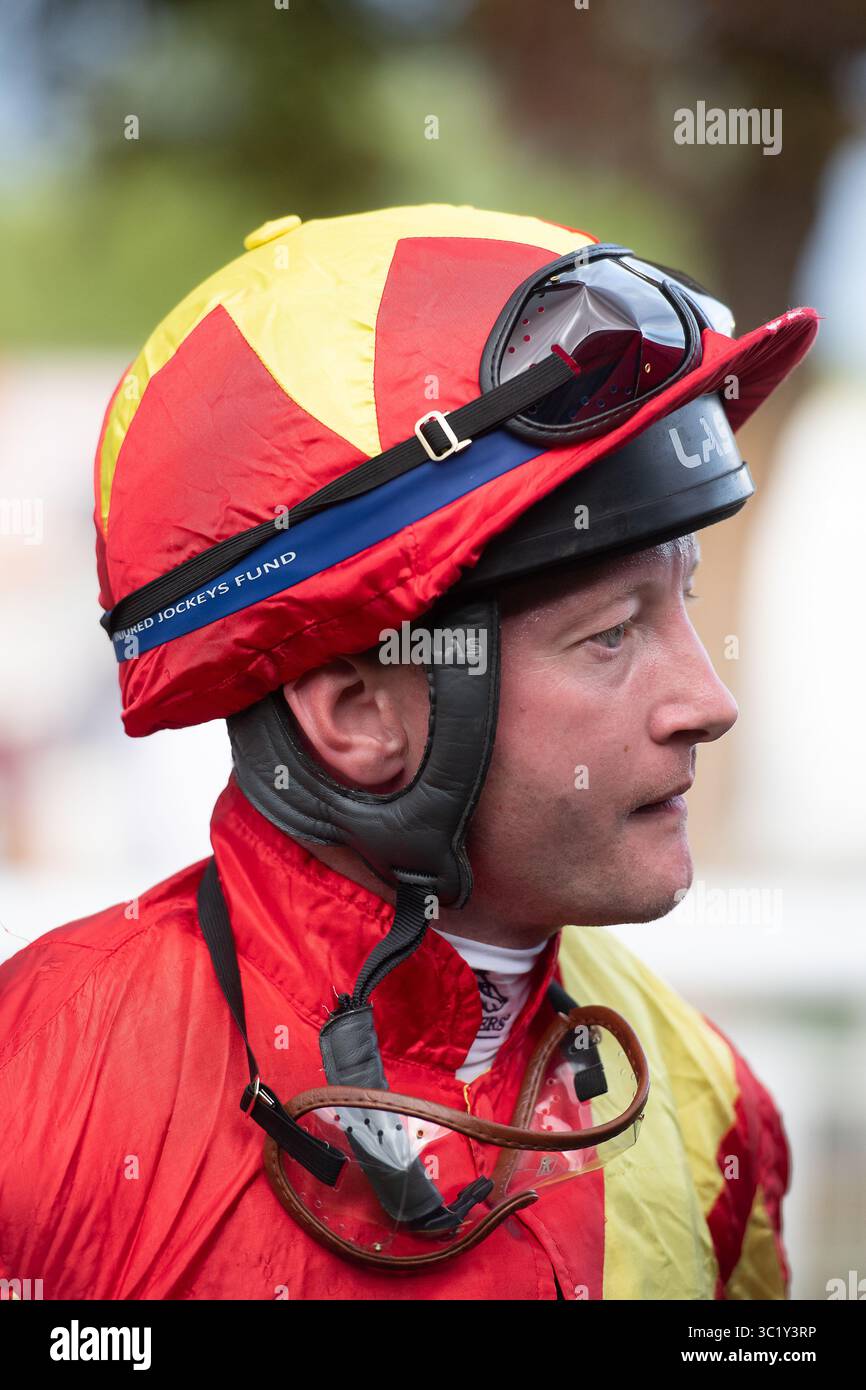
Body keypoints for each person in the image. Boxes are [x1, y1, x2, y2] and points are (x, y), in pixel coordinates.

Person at [0, 205, 818, 1301]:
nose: (706, 703)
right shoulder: (38, 1095)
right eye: (610, 635)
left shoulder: (714, 1103)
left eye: (685, 601)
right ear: (353, 709)